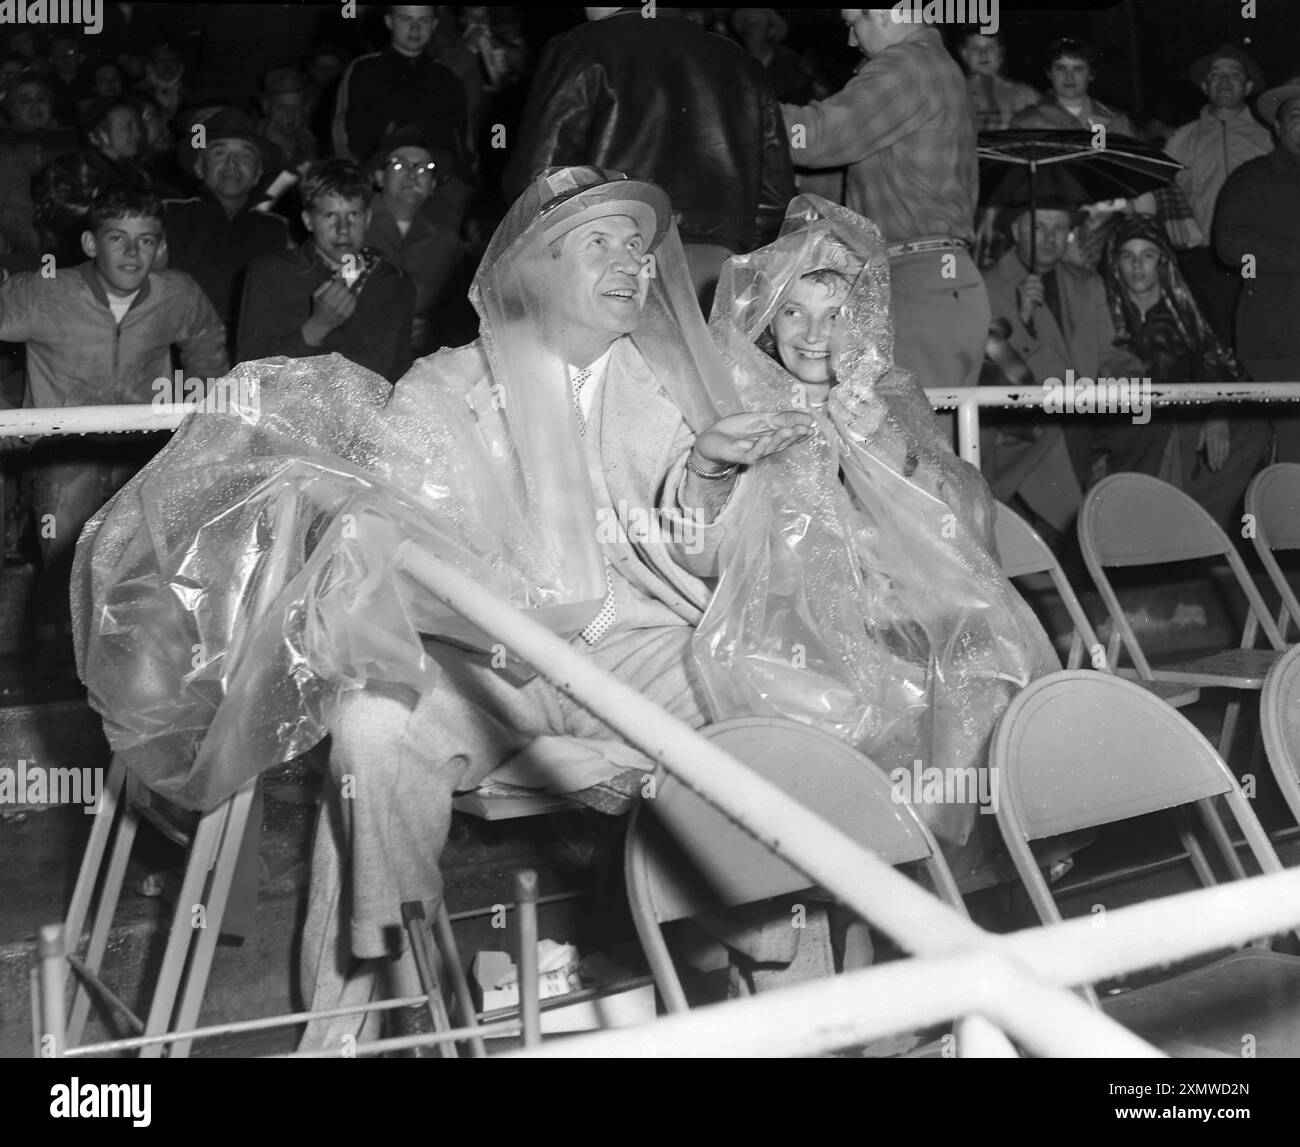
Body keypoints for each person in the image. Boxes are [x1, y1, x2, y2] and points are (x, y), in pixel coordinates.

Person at [706, 194, 1058, 876]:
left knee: (985, 661)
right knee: (877, 706)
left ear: (860, 318)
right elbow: (728, 547)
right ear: (766, 317)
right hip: (794, 625)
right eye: (793, 312)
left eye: (835, 315)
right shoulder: (740, 402)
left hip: (902, 611)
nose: (813, 335)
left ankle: (948, 877)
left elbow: (965, 521)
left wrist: (881, 448)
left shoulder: (892, 394)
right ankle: (883, 887)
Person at [0, 186, 227, 668]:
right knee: (67, 538)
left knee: (153, 549)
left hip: (147, 448)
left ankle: (145, 656)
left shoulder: (177, 293)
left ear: (160, 247)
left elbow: (206, 338)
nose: (132, 252)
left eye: (146, 240)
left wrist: (204, 395)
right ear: (89, 244)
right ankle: (57, 652)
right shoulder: (43, 293)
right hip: (63, 453)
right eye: (117, 238)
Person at [504, 5, 796, 308]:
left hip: (610, 261)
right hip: (714, 273)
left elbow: (536, 178)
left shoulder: (582, 47)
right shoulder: (742, 63)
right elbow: (775, 200)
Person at [780, 8, 989, 417]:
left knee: (905, 455)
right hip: (937, 280)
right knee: (918, 454)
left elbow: (816, 137)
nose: (852, 41)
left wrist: (735, 109)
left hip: (918, 281)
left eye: (853, 24)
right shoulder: (936, 67)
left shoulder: (909, 64)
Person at [983, 193, 1147, 523]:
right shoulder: (987, 284)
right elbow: (998, 369)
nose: (1050, 237)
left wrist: (1132, 381)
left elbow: (1110, 353)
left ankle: (1131, 522)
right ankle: (1074, 536)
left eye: (1059, 227)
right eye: (1039, 226)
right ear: (1016, 231)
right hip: (1029, 414)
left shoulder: (1086, 281)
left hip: (1087, 402)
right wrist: (1024, 321)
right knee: (1068, 428)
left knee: (1149, 422)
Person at [1099, 215, 1270, 530]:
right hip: (1125, 420)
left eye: (1147, 255)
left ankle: (1201, 530)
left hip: (1183, 414)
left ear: (1162, 262)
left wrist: (1216, 411)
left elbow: (1217, 361)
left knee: (1252, 429)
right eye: (1128, 256)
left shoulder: (1184, 308)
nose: (1137, 265)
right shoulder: (1100, 309)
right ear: (1116, 262)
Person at [238, 158, 416, 383]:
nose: (343, 230)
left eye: (354, 215)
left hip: (369, 413)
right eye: (330, 216)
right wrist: (315, 328)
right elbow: (248, 374)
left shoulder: (392, 281)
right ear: (308, 220)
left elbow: (399, 370)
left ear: (368, 218)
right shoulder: (272, 274)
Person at [1215, 76, 1300, 462]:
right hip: (1276, 343)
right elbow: (1230, 245)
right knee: (1287, 458)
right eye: (1297, 116)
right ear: (1278, 127)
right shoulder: (1252, 179)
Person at [1164, 43, 1272, 347]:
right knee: (1208, 339)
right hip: (1199, 258)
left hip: (1254, 257)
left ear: (1248, 86)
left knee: (1255, 336)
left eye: (1234, 74)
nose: (1224, 81)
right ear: (1204, 85)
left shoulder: (1268, 138)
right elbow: (1161, 197)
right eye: (1216, 75)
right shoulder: (1181, 139)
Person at [331, 5, 472, 228]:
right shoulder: (365, 70)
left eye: (424, 20)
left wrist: (455, 186)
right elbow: (344, 136)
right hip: (375, 191)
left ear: (434, 24)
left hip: (436, 195)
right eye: (406, 19)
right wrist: (359, 182)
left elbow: (462, 141)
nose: (415, 28)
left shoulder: (446, 78)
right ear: (389, 21)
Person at [163, 108, 290, 354]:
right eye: (220, 153)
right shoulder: (169, 217)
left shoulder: (276, 230)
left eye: (245, 156)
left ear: (257, 174)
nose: (232, 163)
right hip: (177, 362)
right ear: (200, 167)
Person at [363, 128, 464, 357]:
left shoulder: (447, 243)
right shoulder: (351, 228)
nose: (412, 175)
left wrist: (430, 329)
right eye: (399, 165)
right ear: (379, 177)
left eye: (424, 169)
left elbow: (451, 310)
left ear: (433, 185)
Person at [1011, 36, 1134, 135]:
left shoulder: (1116, 122)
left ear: (1091, 74)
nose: (1069, 76)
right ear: (1049, 74)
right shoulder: (1028, 122)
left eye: (1078, 69)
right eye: (1060, 68)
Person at [958, 28, 1038, 132]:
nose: (983, 54)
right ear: (964, 53)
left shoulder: (1026, 95)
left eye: (990, 47)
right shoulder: (951, 94)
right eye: (975, 48)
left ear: (1000, 52)